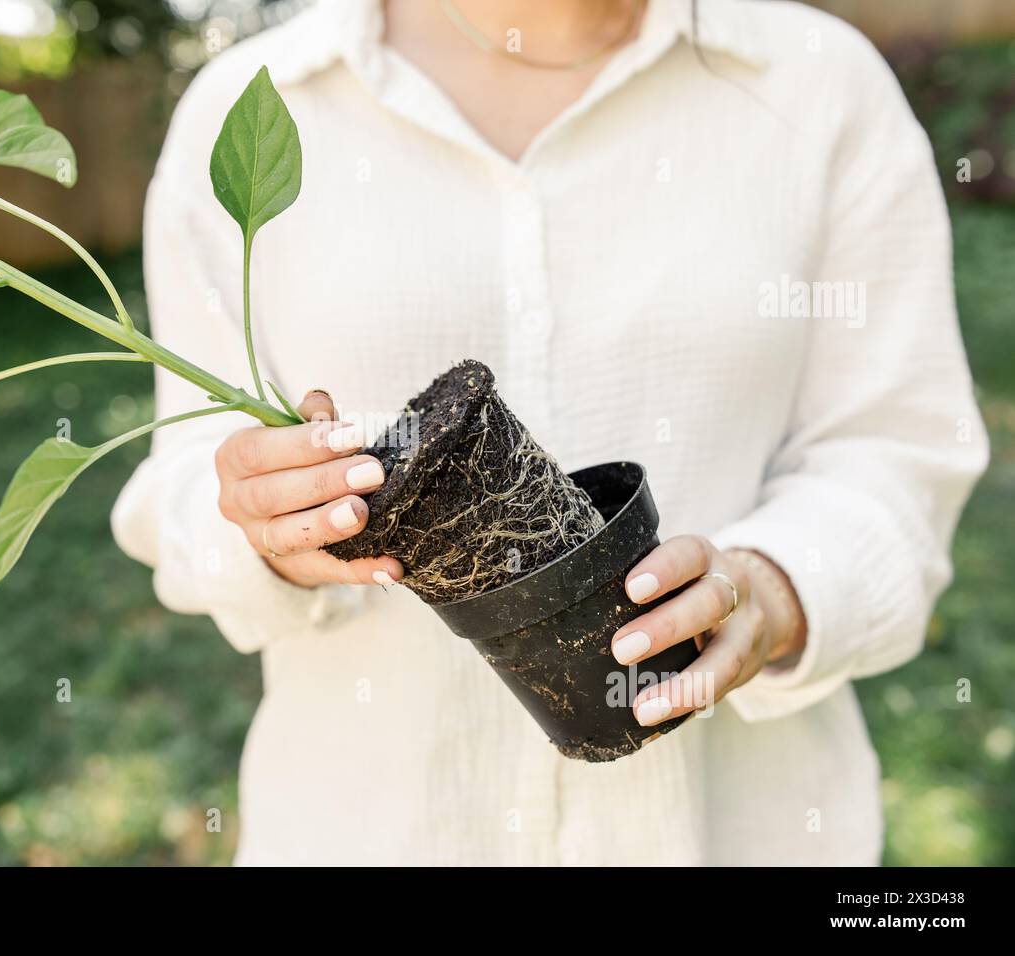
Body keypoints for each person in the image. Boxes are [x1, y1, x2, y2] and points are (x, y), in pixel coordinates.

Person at [112, 0, 988, 864]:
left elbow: (897, 448)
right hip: (371, 827)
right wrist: (263, 523)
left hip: (747, 828)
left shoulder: (817, 84)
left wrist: (773, 589)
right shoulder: (258, 104)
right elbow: (188, 476)